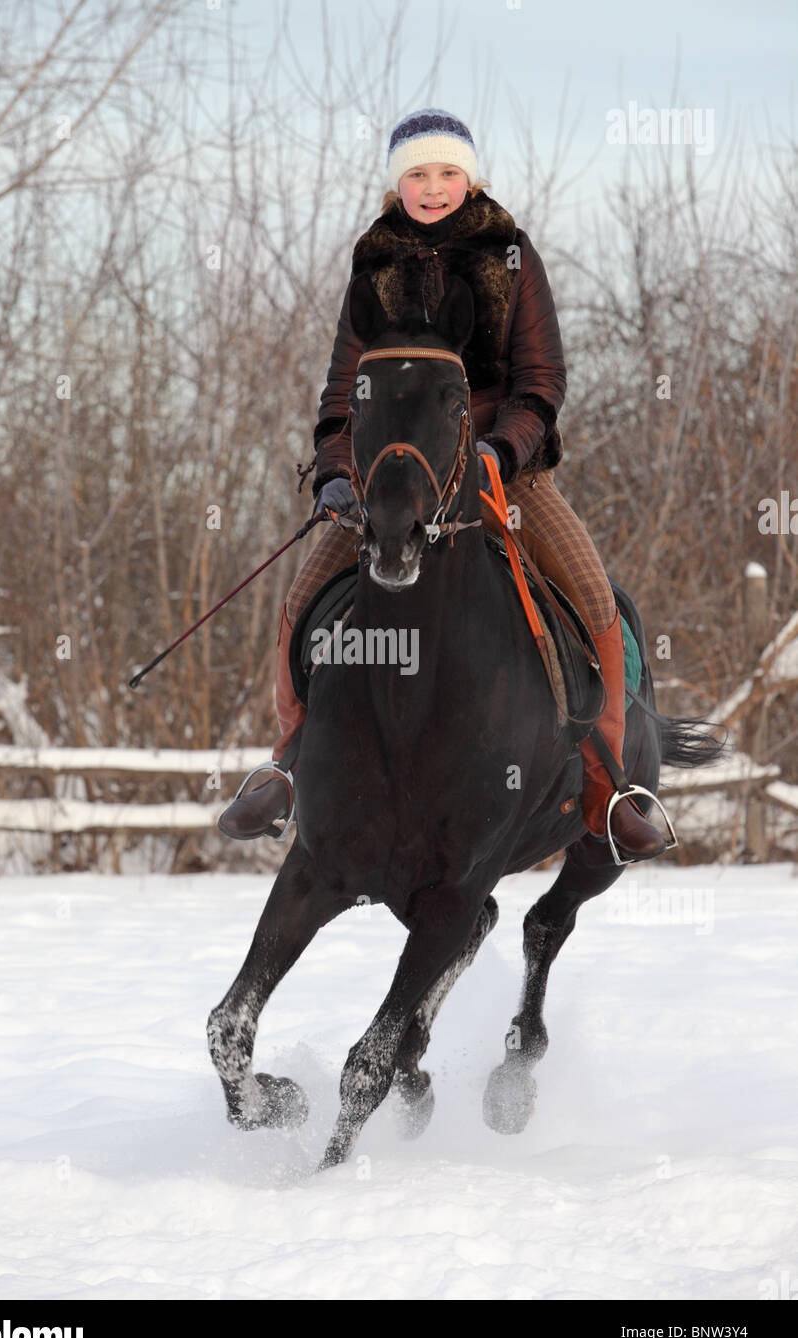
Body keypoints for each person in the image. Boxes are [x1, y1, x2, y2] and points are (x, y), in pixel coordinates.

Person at [219, 108, 666, 860]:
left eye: (446, 172)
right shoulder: (374, 262)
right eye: (417, 175)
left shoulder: (512, 255)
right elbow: (343, 391)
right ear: (399, 185)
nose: (433, 188)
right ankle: (285, 766)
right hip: (390, 481)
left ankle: (608, 783)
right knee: (301, 601)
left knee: (593, 599)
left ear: (470, 177)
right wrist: (335, 472)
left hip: (502, 472)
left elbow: (542, 380)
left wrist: (501, 452)